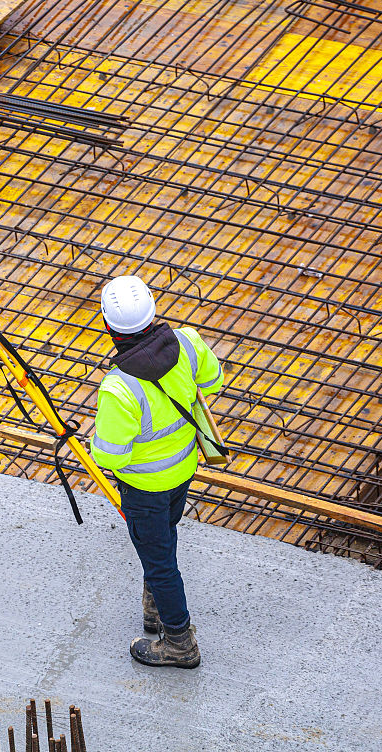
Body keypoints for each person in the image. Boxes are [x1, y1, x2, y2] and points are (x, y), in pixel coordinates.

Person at [90, 275, 223, 668]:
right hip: (182, 471)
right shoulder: (188, 341)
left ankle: (179, 643)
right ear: (152, 310)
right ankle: (156, 612)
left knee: (160, 563)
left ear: (108, 325)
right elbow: (213, 381)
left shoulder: (119, 388)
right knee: (162, 542)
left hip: (144, 488)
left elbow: (110, 457)